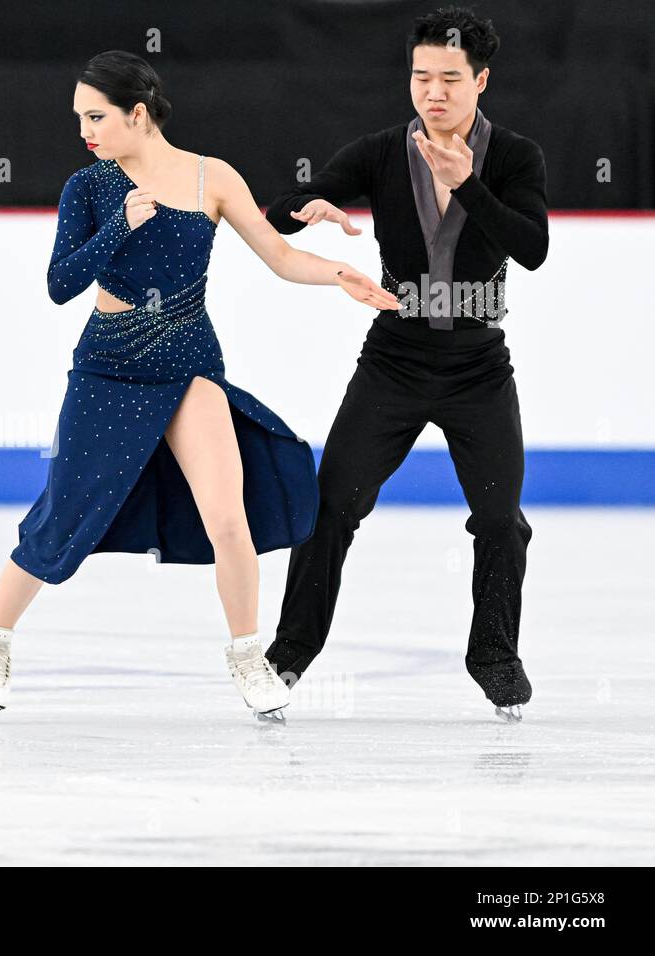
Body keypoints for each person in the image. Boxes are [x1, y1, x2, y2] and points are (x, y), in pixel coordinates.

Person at [0, 50, 401, 723]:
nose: (86, 130)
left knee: (230, 516)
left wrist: (341, 277)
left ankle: (248, 657)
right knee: (63, 518)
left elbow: (280, 256)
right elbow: (60, 285)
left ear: (138, 114)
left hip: (189, 364)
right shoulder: (90, 187)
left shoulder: (211, 177)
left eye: (97, 116)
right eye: (81, 118)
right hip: (108, 368)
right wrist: (119, 226)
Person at [261, 5, 549, 722]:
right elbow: (286, 203)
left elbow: (534, 248)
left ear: (481, 81)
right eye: (422, 77)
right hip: (393, 361)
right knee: (332, 506)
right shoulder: (383, 151)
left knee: (500, 521)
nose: (434, 92)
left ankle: (494, 656)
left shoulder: (515, 156)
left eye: (450, 78)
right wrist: (310, 205)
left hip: (479, 366)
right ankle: (288, 657)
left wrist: (469, 185)